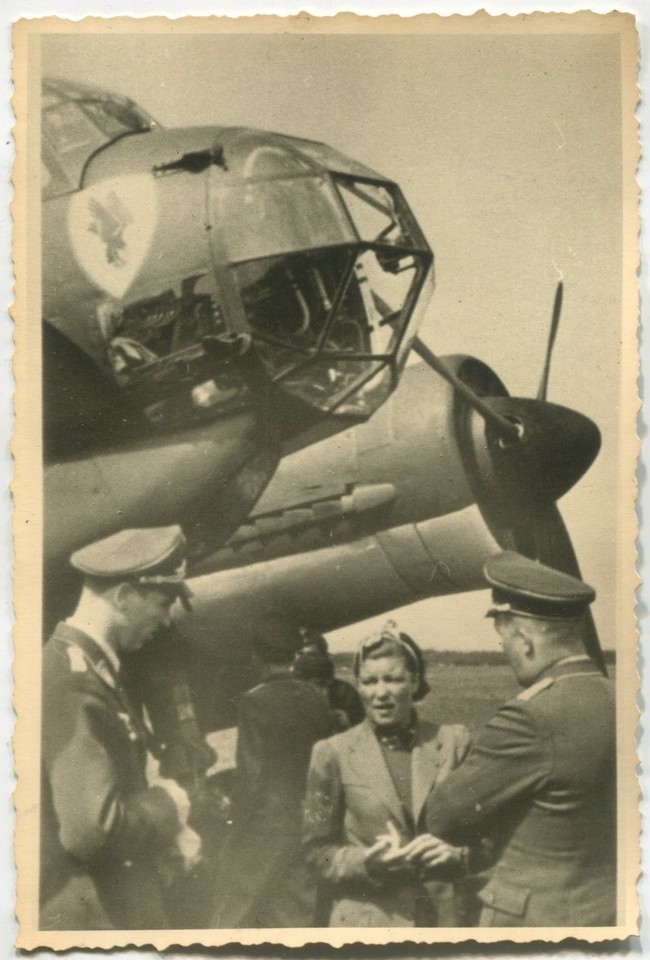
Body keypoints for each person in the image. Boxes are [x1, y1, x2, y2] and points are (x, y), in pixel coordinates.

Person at [424, 551, 616, 927]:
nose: (504, 650)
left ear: (526, 641)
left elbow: (443, 818)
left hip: (533, 922)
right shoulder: (621, 700)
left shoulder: (528, 717)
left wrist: (451, 762)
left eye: (505, 639)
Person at [40, 525, 202, 931]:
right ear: (124, 597)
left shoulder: (90, 670)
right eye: (162, 603)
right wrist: (168, 806)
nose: (165, 620)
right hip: (96, 922)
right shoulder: (73, 680)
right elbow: (91, 830)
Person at [302, 624, 471, 927]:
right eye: (369, 681)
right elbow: (316, 855)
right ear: (358, 686)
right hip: (368, 925)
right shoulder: (332, 752)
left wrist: (457, 855)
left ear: (415, 681)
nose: (380, 693)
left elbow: (488, 838)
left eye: (393, 679)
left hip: (443, 923)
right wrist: (365, 863)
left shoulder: (453, 743)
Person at [212, 614, 332, 928]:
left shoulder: (254, 702)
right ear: (293, 655)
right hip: (307, 825)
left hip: (264, 829)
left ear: (256, 656)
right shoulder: (318, 698)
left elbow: (251, 775)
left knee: (233, 915)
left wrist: (235, 826)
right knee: (295, 918)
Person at [298, 628, 365, 730]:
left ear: (324, 656)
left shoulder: (345, 692)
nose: (304, 660)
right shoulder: (290, 687)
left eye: (311, 655)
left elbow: (361, 725)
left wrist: (348, 721)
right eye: (300, 655)